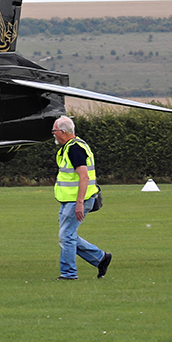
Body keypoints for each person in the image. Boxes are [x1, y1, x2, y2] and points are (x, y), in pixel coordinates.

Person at [51, 116, 111, 280]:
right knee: (68, 236)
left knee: (67, 236)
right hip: (69, 200)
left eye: (54, 131)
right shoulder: (71, 147)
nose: (53, 135)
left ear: (63, 132)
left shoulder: (74, 149)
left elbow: (83, 177)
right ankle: (101, 258)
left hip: (78, 200)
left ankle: (69, 274)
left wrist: (79, 203)